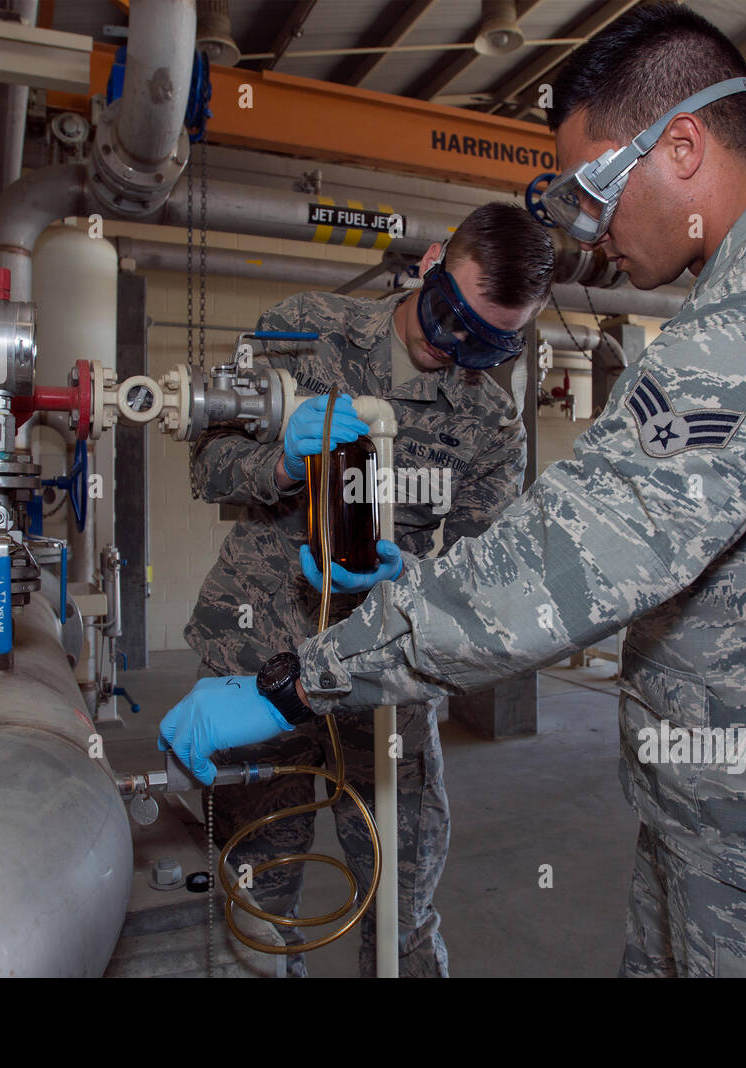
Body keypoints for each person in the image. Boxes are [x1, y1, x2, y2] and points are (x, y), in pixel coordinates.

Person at [162, 3, 746, 977]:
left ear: (681, 147)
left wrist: (298, 683)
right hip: (728, 825)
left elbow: (558, 560)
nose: (589, 231)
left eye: (594, 190)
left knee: (403, 907)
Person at [179, 202, 556, 977]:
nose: (450, 346)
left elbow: (484, 574)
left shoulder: (490, 420)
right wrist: (280, 464)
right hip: (262, 656)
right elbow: (206, 466)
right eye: (449, 312)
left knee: (402, 905)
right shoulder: (303, 330)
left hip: (384, 676)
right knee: (256, 903)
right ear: (431, 260)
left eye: (484, 343)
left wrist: (410, 578)